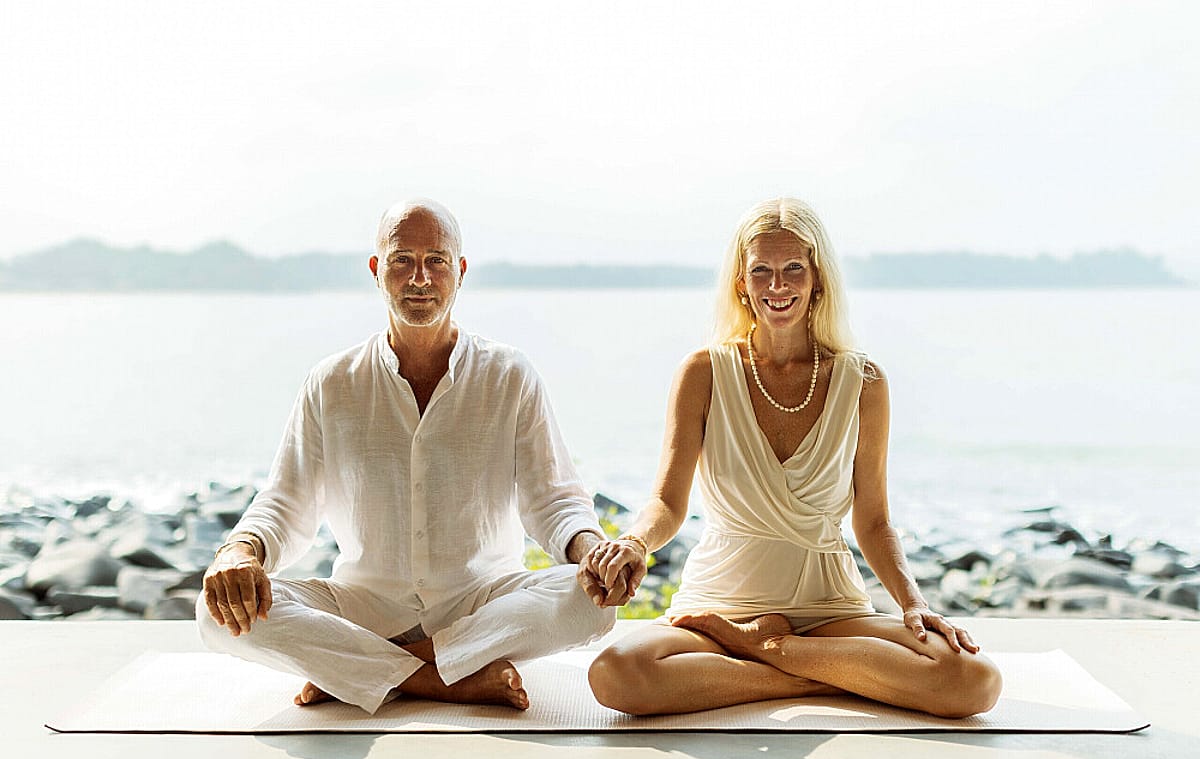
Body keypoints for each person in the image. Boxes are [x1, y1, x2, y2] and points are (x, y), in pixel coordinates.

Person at [578, 198, 1002, 718]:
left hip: (828, 611)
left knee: (973, 681)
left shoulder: (863, 381)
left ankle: (768, 650)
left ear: (817, 278)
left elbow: (873, 520)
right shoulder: (703, 372)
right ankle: (836, 679)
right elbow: (668, 501)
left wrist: (914, 603)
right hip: (720, 604)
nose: (778, 286)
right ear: (742, 283)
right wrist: (635, 542)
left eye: (793, 269)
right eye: (762, 271)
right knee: (617, 674)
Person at [198, 198, 616, 714]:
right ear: (377, 271)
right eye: (402, 260)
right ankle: (444, 676)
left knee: (588, 600)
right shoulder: (332, 382)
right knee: (214, 611)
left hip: (481, 602)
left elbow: (554, 501)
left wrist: (592, 550)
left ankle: (363, 670)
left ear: (460, 272)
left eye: (436, 260)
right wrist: (237, 553)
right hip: (363, 606)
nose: (420, 277)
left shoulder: (509, 374)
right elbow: (285, 502)